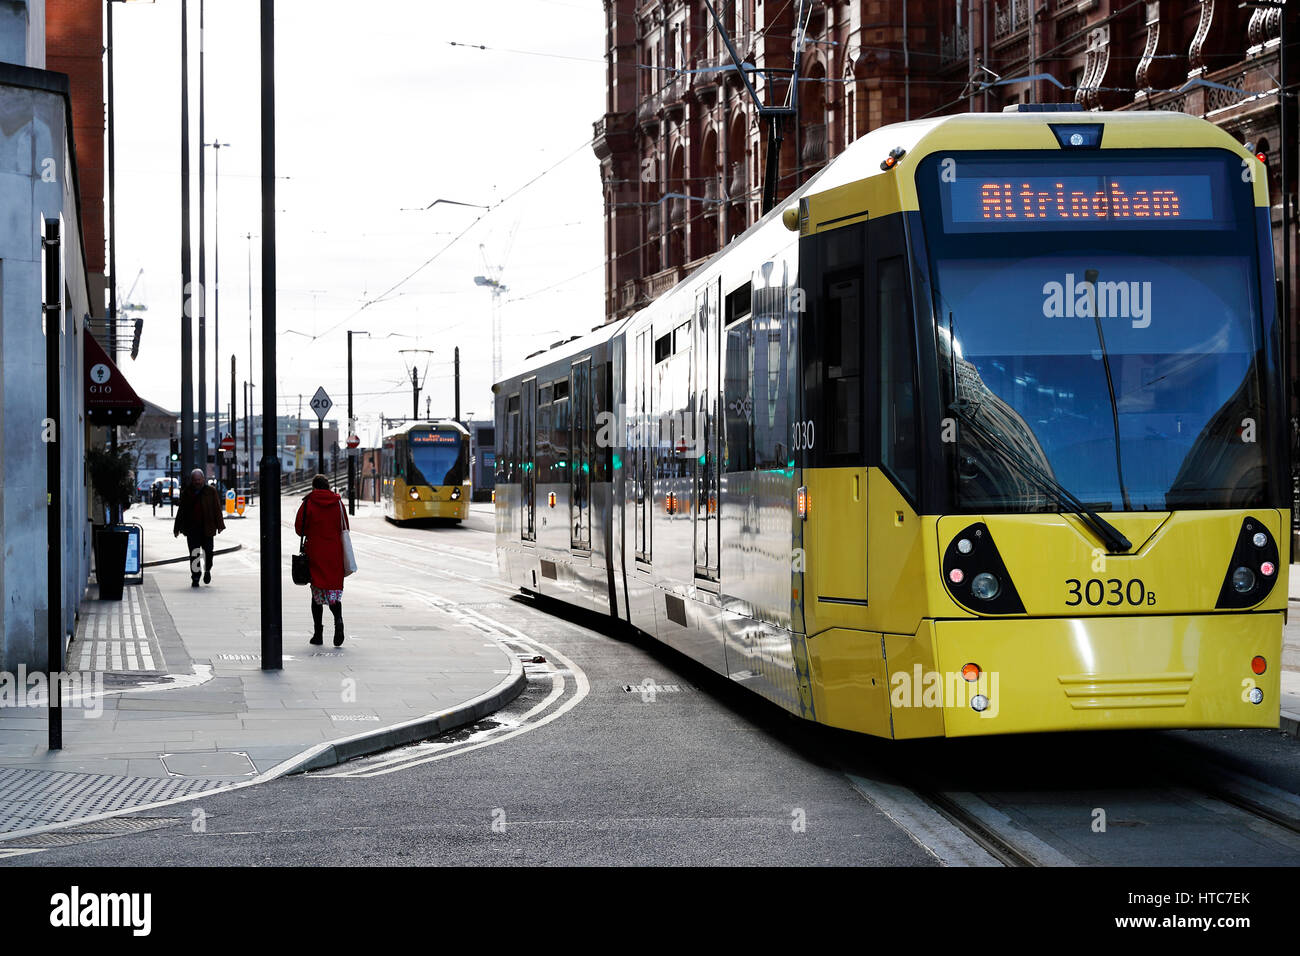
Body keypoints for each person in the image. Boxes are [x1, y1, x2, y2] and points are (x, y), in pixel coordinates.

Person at [294, 475, 349, 646]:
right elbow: (345, 526)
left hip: (316, 552)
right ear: (328, 486)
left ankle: (318, 633)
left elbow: (299, 529)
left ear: (314, 487)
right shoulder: (338, 503)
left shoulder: (308, 502)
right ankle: (338, 620)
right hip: (334, 552)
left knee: (316, 593)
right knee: (333, 592)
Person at [174, 468, 225, 587]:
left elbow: (217, 508)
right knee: (194, 554)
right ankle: (196, 577)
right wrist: (177, 528)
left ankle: (207, 570)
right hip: (192, 530)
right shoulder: (187, 493)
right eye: (195, 480)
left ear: (203, 479)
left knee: (208, 553)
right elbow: (181, 512)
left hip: (208, 528)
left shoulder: (211, 491)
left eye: (199, 479)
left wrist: (220, 525)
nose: (197, 482)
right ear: (192, 480)